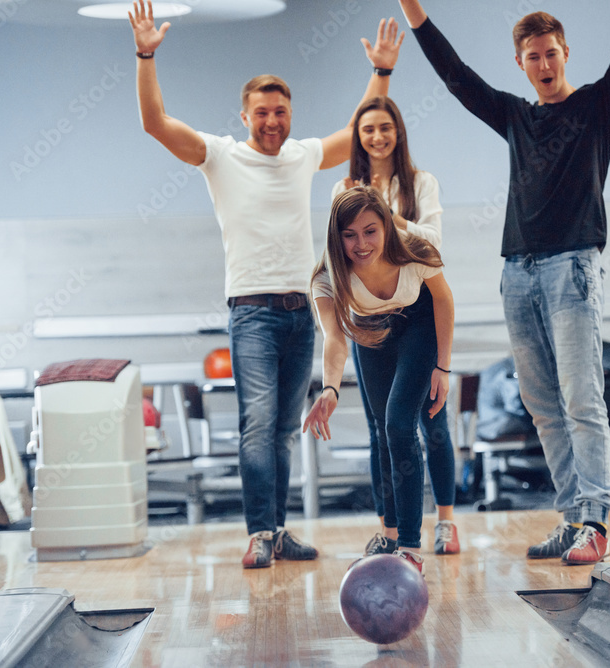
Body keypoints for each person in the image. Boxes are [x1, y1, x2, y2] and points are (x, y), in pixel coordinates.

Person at [127, 0, 403, 568]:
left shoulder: (302, 156)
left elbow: (358, 132)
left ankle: (276, 532)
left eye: (280, 111)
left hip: (303, 311)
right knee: (257, 423)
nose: (272, 121)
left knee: (282, 431)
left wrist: (381, 71)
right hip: (252, 313)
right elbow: (155, 124)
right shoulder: (220, 156)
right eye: (262, 113)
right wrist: (145, 56)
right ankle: (258, 531)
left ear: (290, 114)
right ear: (245, 116)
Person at [396, 0, 610, 565]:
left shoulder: (597, 105)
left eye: (551, 54)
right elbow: (456, 77)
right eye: (533, 57)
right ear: (520, 63)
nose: (544, 64)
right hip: (517, 272)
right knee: (542, 405)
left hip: (572, 269)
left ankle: (595, 522)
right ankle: (571, 520)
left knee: (581, 398)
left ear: (565, 54)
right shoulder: (516, 116)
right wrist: (412, 10)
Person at [332, 96, 459, 557]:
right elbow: (342, 247)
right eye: (368, 129)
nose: (377, 136)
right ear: (358, 137)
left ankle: (445, 519)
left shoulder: (421, 183)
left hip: (417, 307)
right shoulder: (343, 186)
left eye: (385, 127)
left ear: (398, 132)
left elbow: (432, 241)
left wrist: (384, 216)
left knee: (429, 420)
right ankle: (388, 530)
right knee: (382, 428)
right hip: (370, 316)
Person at [304, 186, 455, 573]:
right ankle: (389, 535)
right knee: (382, 431)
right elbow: (334, 338)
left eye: (370, 231)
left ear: (387, 226)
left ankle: (411, 547)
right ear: (337, 237)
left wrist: (443, 367)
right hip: (371, 332)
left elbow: (443, 299)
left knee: (400, 425)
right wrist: (330, 389)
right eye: (350, 235)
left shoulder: (416, 250)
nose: (361, 244)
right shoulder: (326, 277)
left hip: (418, 324)